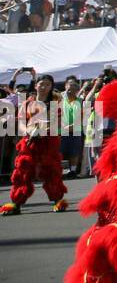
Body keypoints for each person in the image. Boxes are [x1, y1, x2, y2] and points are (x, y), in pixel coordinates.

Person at [1, 71, 70, 215]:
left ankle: (58, 200)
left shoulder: (55, 103)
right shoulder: (27, 103)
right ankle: (16, 202)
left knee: (51, 171)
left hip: (48, 142)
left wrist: (45, 128)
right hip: (29, 143)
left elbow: (59, 123)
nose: (44, 87)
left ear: (51, 87)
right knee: (23, 171)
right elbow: (20, 122)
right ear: (36, 85)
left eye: (47, 84)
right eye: (41, 84)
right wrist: (27, 131)